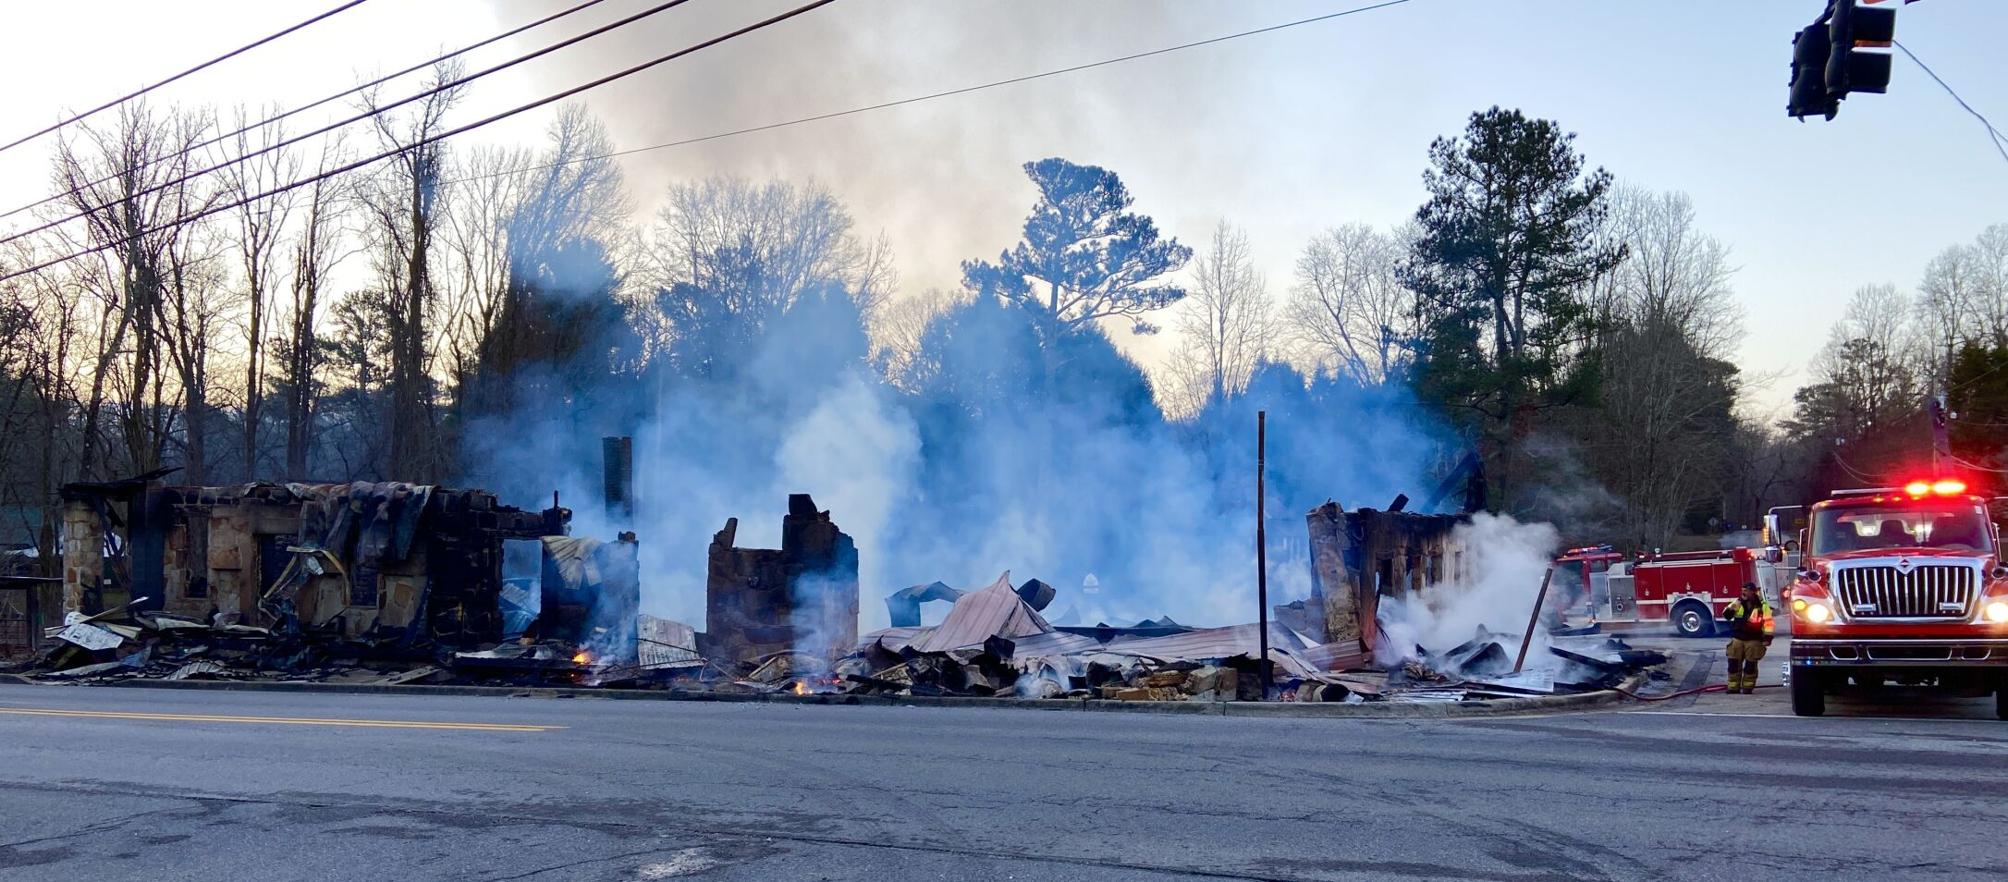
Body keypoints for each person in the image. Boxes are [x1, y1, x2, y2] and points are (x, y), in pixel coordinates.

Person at [1722, 582, 1775, 694]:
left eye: (1746, 590)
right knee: (1733, 664)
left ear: (1753, 592)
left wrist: (1767, 638)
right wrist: (1737, 603)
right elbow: (1727, 615)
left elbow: (1768, 623)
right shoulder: (1738, 603)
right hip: (1738, 639)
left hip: (1753, 640)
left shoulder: (1762, 605)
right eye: (1742, 590)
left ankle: (1747, 687)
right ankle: (1733, 687)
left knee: (1750, 666)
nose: (1743, 592)